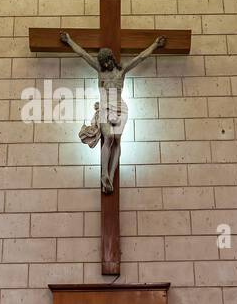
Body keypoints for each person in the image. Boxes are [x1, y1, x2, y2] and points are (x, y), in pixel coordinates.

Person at [60, 30, 166, 192]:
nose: (105, 66)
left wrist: (155, 45)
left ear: (111, 59)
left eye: (107, 62)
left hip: (119, 108)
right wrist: (69, 41)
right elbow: (83, 54)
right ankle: (104, 174)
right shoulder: (99, 70)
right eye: (103, 63)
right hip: (104, 107)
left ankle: (111, 173)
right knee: (108, 137)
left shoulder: (121, 71)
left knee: (117, 139)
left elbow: (140, 58)